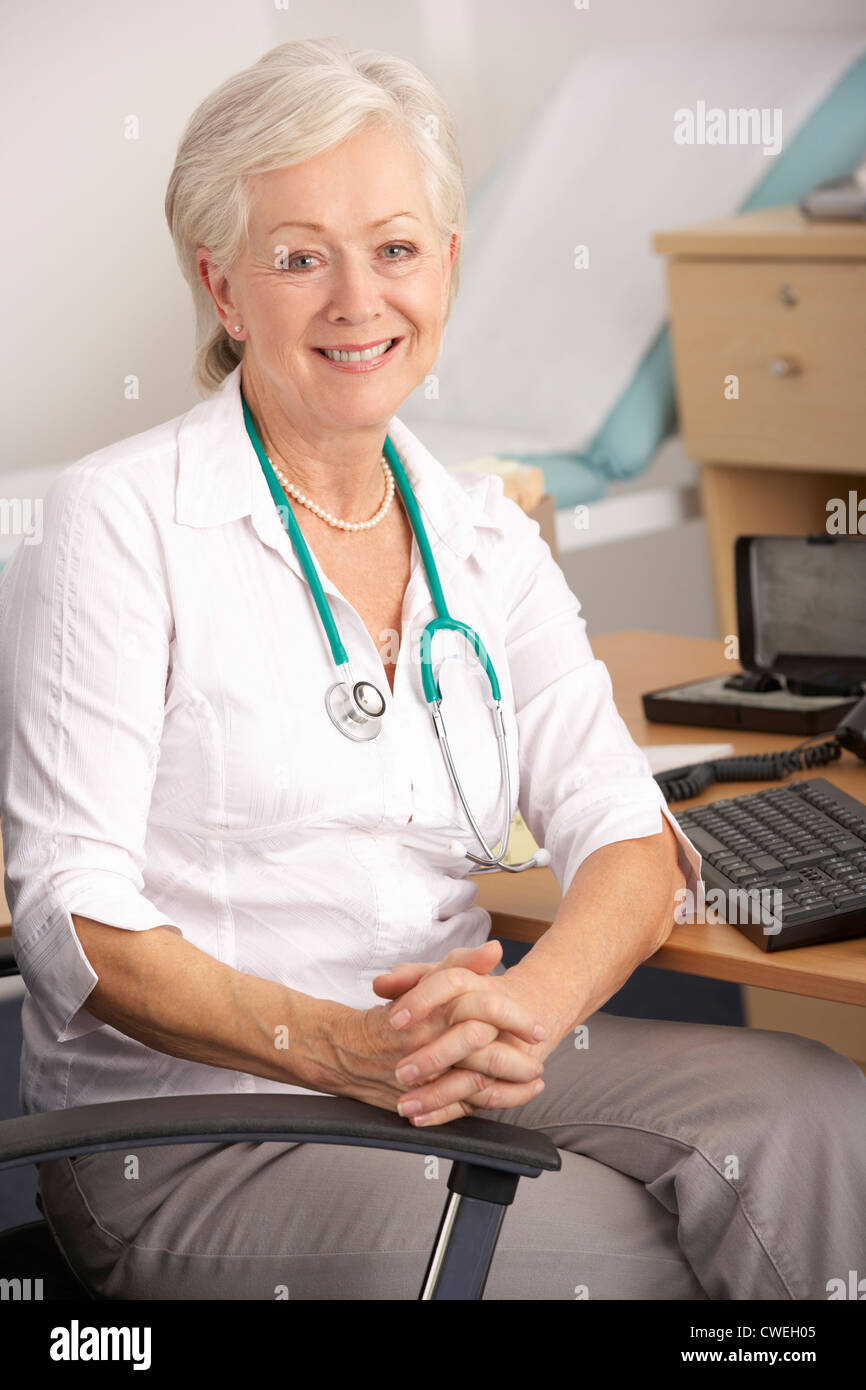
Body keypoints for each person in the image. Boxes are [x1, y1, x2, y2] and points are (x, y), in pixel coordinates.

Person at [0, 37, 863, 1302]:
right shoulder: (120, 518)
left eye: (396, 249)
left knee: (821, 1118)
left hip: (452, 1063)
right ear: (224, 289)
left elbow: (622, 832)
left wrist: (526, 1009)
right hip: (207, 1126)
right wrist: (342, 1049)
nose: (359, 301)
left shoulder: (481, 532)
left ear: (446, 267)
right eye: (300, 258)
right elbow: (69, 906)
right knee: (621, 1259)